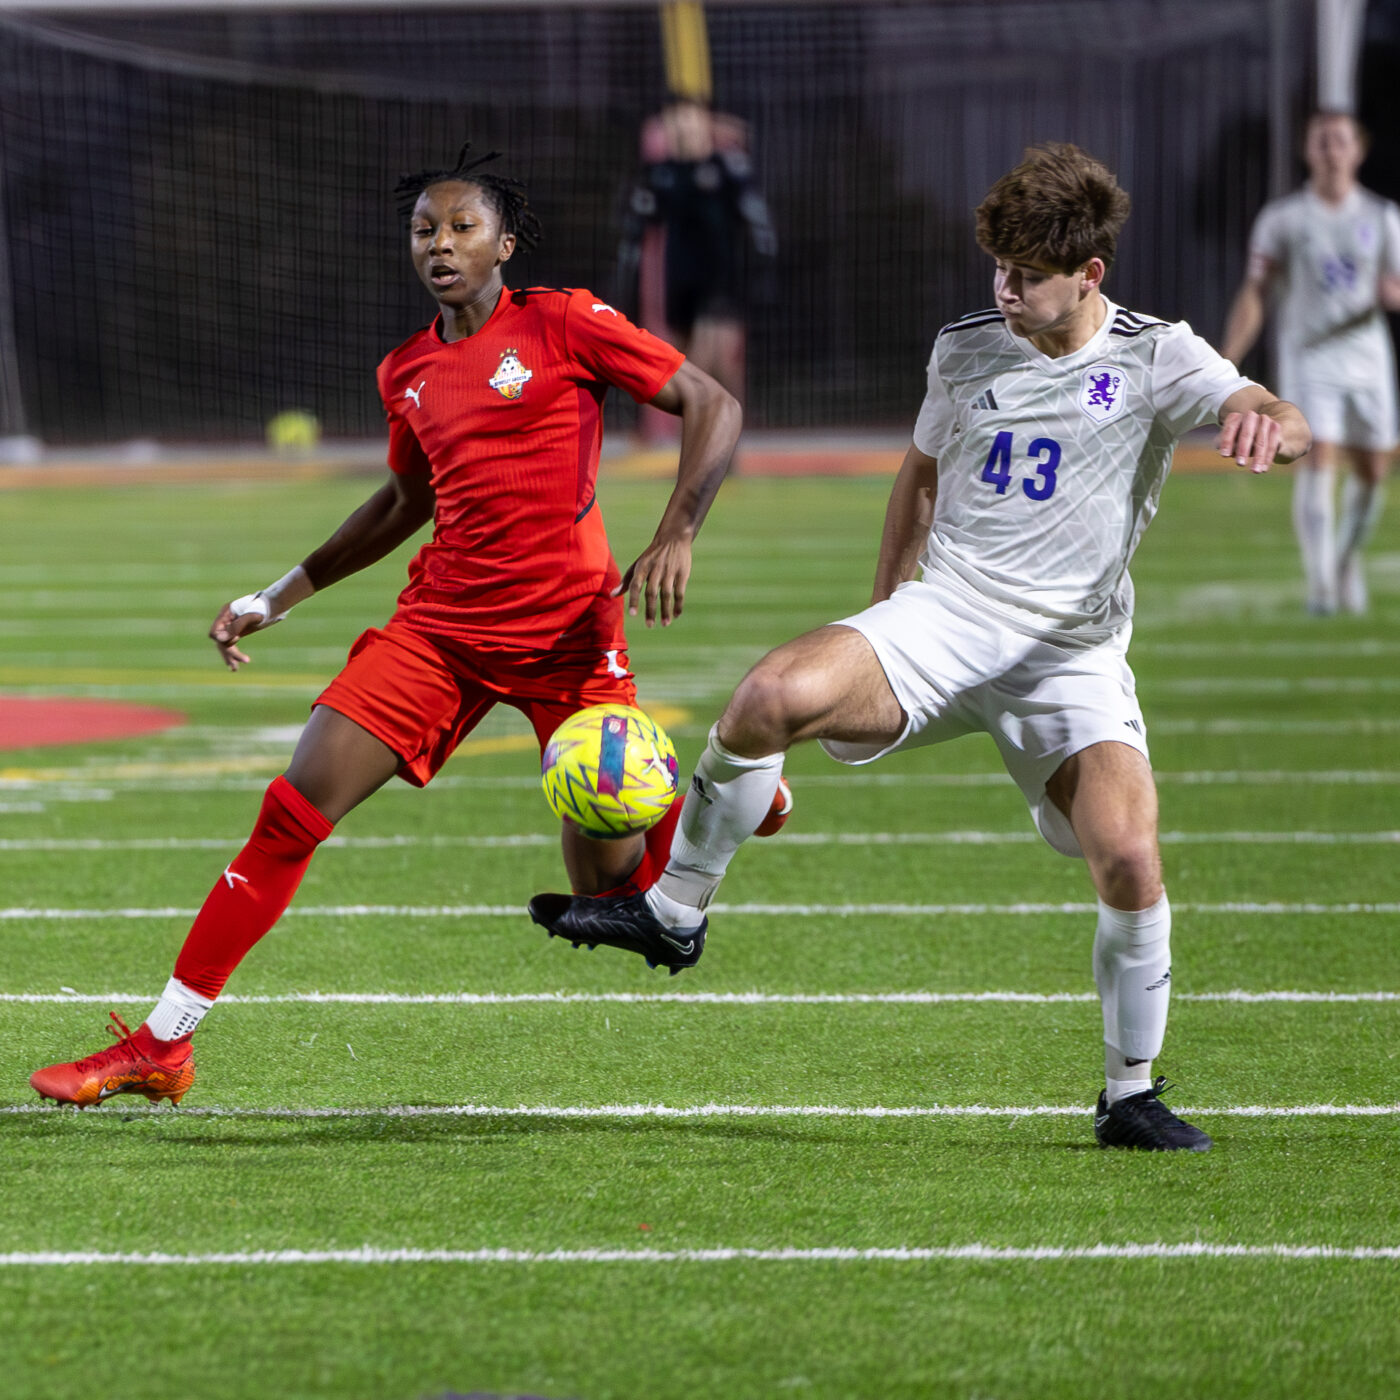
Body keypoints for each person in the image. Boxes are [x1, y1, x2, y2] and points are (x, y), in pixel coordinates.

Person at [530, 143, 1311, 1152]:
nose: (1004, 291)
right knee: (766, 694)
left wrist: (1273, 430)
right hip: (942, 617)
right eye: (996, 269)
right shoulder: (965, 345)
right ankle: (672, 912)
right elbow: (919, 474)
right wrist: (881, 610)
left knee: (1125, 854)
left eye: (1025, 276)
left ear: (1087, 276)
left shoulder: (1156, 352)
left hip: (1067, 656)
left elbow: (1259, 406)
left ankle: (1128, 1094)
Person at [30, 146, 750, 1108]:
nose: (440, 244)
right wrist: (277, 595)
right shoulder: (407, 371)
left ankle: (711, 810)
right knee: (292, 810)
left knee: (610, 881)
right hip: (440, 634)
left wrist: (676, 534)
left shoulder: (566, 322)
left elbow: (713, 402)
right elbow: (401, 503)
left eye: (461, 227)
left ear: (504, 242)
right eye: (424, 229)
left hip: (570, 639)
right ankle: (164, 1045)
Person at [1223, 110, 1400, 614]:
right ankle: (1321, 586)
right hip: (1309, 352)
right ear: (1307, 150)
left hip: (1367, 353)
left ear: (1357, 150)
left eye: (1339, 141)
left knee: (1372, 470)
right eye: (1320, 140)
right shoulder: (1284, 219)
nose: (1330, 150)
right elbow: (1255, 291)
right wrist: (1228, 356)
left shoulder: (1382, 215)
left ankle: (1345, 562)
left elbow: (1393, 283)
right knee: (1319, 456)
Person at [619, 96, 777, 434]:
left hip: (719, 281)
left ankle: (730, 435)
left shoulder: (726, 167)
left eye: (690, 121)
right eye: (676, 124)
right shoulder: (662, 173)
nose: (683, 129)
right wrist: (626, 271)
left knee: (715, 360)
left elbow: (755, 218)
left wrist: (764, 266)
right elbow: (639, 224)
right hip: (680, 283)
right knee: (684, 368)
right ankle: (696, 445)